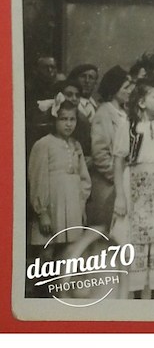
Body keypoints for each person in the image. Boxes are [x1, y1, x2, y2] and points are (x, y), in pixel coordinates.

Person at [113, 78, 154, 299]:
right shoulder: (129, 127)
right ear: (141, 103)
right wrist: (120, 197)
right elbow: (118, 162)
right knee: (132, 241)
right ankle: (129, 298)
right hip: (135, 189)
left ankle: (147, 298)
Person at [28, 95, 91, 264]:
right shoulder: (44, 145)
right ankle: (45, 289)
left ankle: (62, 288)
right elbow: (37, 178)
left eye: (72, 119)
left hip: (72, 206)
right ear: (54, 119)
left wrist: (81, 205)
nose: (69, 124)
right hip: (52, 206)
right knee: (48, 251)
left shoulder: (76, 145)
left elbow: (83, 178)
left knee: (69, 252)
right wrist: (43, 213)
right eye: (63, 119)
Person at [86, 66, 133, 228]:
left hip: (125, 181)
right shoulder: (104, 113)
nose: (130, 91)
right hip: (109, 185)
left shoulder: (125, 112)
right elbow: (100, 154)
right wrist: (118, 178)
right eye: (126, 87)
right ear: (114, 89)